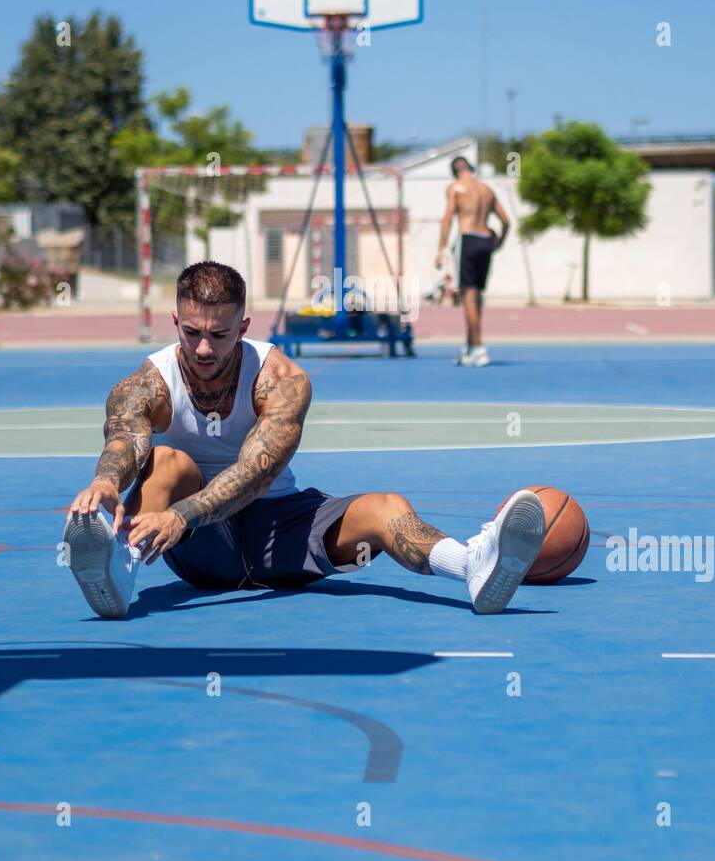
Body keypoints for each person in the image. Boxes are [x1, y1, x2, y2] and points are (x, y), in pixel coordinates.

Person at [63, 261, 544, 618]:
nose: (204, 347)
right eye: (192, 332)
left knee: (386, 506)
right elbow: (125, 437)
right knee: (167, 460)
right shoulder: (149, 382)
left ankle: (471, 566)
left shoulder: (280, 379)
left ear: (243, 328)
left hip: (280, 533)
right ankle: (120, 569)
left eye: (220, 334)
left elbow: (255, 475)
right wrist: (106, 481)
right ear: (175, 323)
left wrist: (180, 515)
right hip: (202, 549)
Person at [435, 156, 509, 366]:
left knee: (467, 294)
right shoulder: (487, 190)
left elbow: (448, 217)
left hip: (467, 239)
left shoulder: (455, 188)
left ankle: (478, 347)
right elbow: (506, 221)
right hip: (485, 240)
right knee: (476, 294)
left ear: (454, 172)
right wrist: (499, 243)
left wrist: (441, 248)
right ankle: (469, 346)